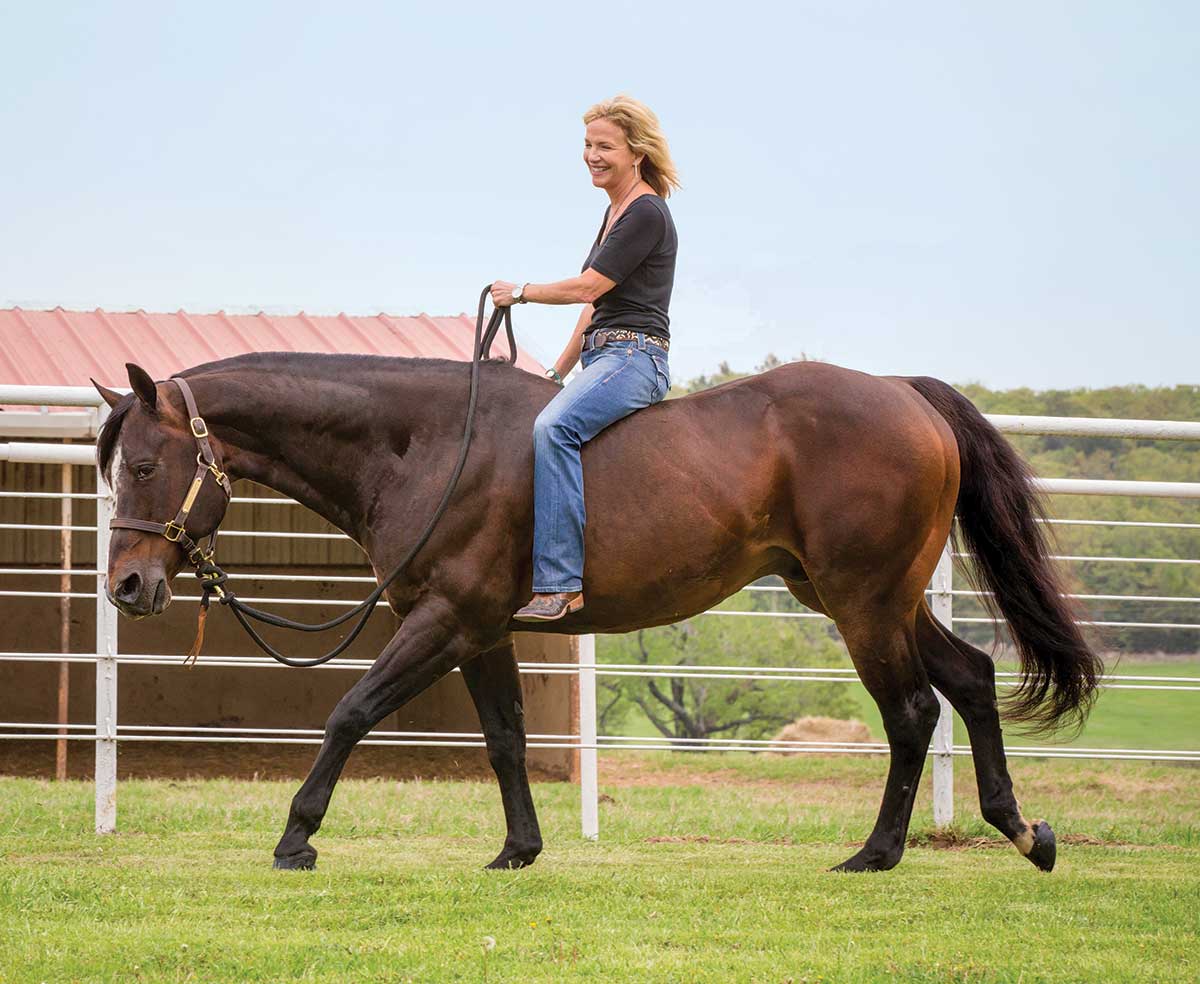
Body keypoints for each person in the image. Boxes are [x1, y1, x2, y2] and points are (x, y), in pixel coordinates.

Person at [491, 95, 681, 622]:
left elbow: (589, 286)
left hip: (635, 357)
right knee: (545, 417)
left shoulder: (644, 211)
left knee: (554, 429)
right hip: (604, 355)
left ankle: (560, 586)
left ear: (635, 153)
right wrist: (555, 371)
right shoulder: (615, 212)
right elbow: (596, 305)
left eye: (605, 146)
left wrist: (523, 291)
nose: (592, 156)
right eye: (588, 145)